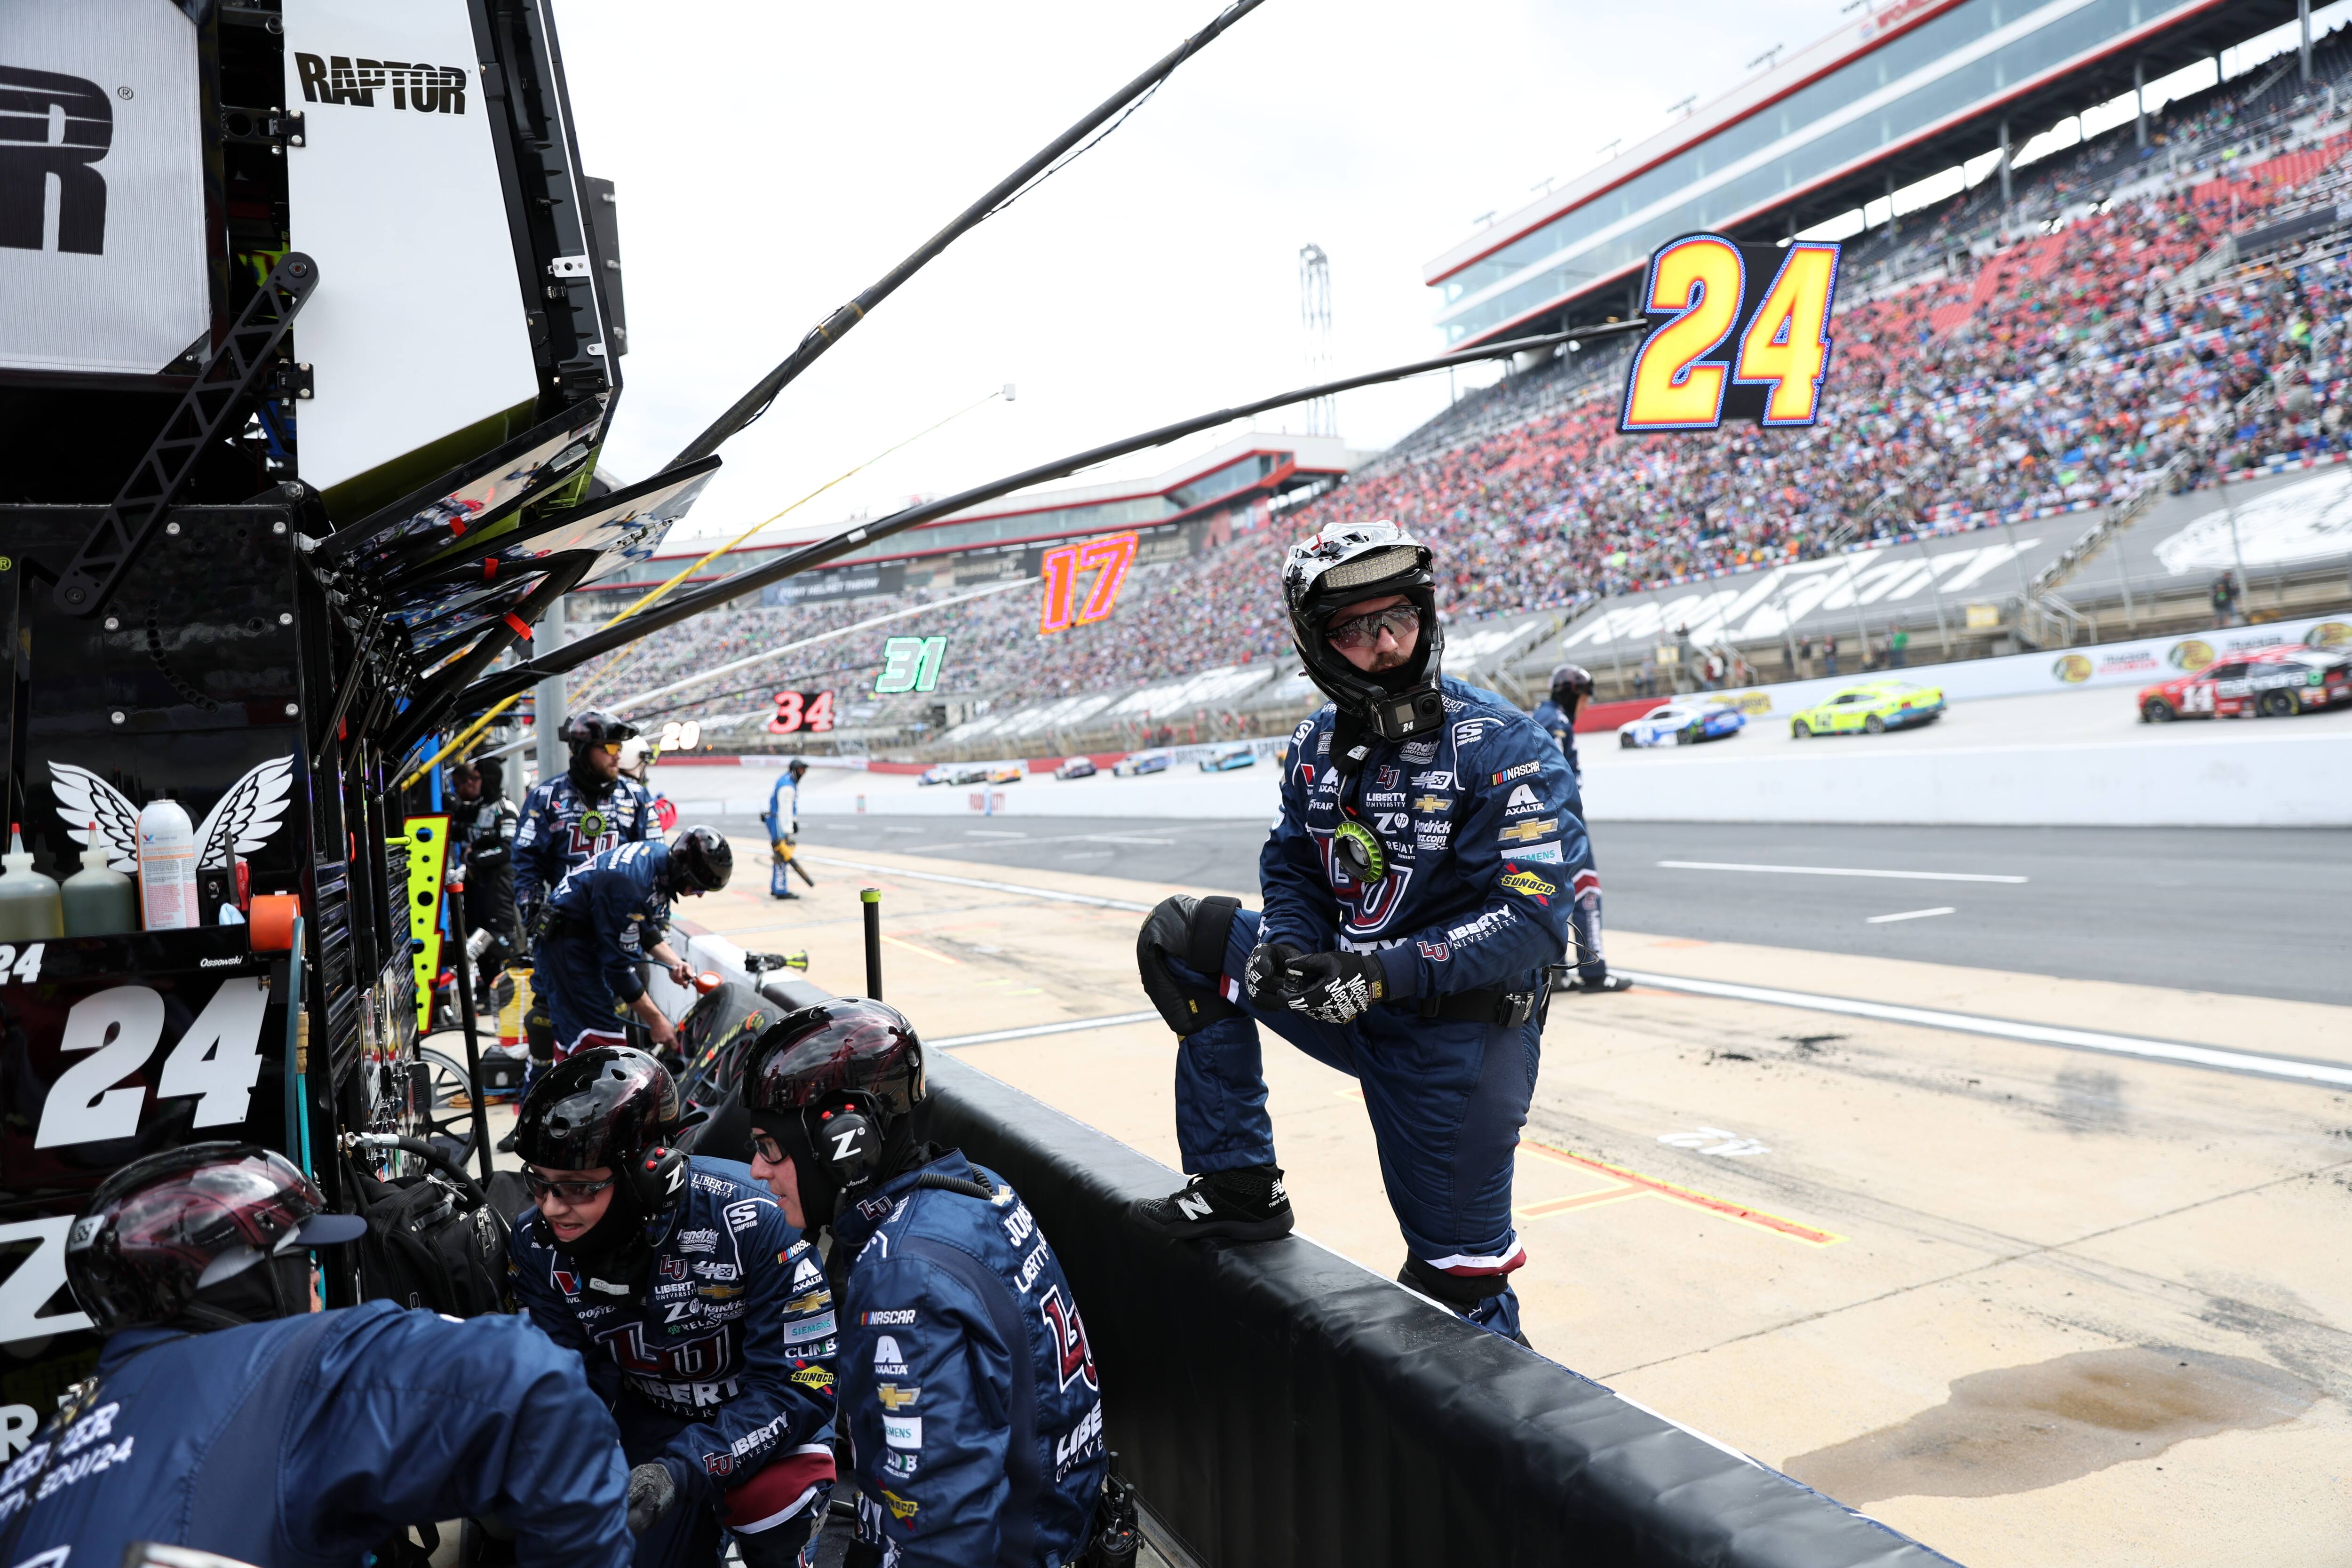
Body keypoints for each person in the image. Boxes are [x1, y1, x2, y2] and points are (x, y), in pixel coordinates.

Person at [1130, 518, 1592, 1345]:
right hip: (1347, 992)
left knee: (1456, 1291)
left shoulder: (1504, 744)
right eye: (1354, 629)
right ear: (1317, 643)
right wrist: (1287, 944)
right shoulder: (1315, 741)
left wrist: (1376, 973)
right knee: (1182, 938)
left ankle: (1515, 1459)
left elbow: (1531, 921)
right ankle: (1240, 1185)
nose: (1385, 645)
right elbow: (1295, 862)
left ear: (1427, 616)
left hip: (1460, 1043)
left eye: (1398, 620)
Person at [0, 1143, 632, 1565]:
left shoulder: (33, 1467)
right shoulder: (287, 1368)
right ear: (250, 1281)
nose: (316, 1286)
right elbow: (530, 1381)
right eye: (305, 1262)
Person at [736, 1000, 1108, 1568]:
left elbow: (938, 1532)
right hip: (1060, 1526)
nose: (758, 1171)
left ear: (844, 1141)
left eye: (768, 1147)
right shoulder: (978, 1188)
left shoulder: (902, 1279)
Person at [508, 1048, 837, 1568]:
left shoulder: (752, 1218)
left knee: (772, 1503)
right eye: (539, 1184)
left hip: (764, 1418)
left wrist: (684, 1469)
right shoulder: (534, 1243)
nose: (551, 1207)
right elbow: (569, 1383)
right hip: (649, 1425)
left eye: (576, 1188)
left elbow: (803, 1383)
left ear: (648, 1173)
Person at [530, 828, 731, 1062]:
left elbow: (642, 925)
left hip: (581, 939)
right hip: (567, 948)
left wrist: (676, 962)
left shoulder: (658, 858)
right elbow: (620, 970)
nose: (699, 896)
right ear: (683, 871)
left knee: (576, 1039)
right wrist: (657, 1022)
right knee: (604, 1047)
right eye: (698, 888)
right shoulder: (629, 886)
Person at [1527, 664, 1627, 995]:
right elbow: (1551, 774)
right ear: (1573, 695)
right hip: (1562, 823)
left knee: (1548, 894)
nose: (1586, 706)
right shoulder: (1556, 721)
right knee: (1587, 891)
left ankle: (1555, 973)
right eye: (1585, 698)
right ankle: (1595, 972)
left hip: (1540, 824)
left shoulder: (1542, 715)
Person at [515, 711, 660, 931]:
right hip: (567, 930)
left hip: (624, 927)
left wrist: (659, 922)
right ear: (583, 749)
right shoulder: (545, 797)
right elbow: (526, 862)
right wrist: (533, 912)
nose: (618, 756)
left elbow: (655, 861)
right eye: (610, 748)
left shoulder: (637, 797)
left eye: (619, 748)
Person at [452, 757, 522, 1003]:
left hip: (498, 888)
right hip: (476, 887)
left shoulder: (506, 809)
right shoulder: (480, 807)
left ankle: (508, 995)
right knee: (475, 934)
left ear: (489, 779)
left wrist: (475, 856)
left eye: (478, 777)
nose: (473, 782)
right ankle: (488, 991)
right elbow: (457, 824)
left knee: (498, 938)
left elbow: (509, 850)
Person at [761, 760, 810, 902]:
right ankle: (780, 889)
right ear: (794, 770)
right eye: (801, 770)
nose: (802, 773)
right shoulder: (788, 786)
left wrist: (793, 822)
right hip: (779, 823)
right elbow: (785, 810)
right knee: (782, 853)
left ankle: (777, 887)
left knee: (780, 855)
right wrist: (789, 831)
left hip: (776, 821)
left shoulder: (786, 781)